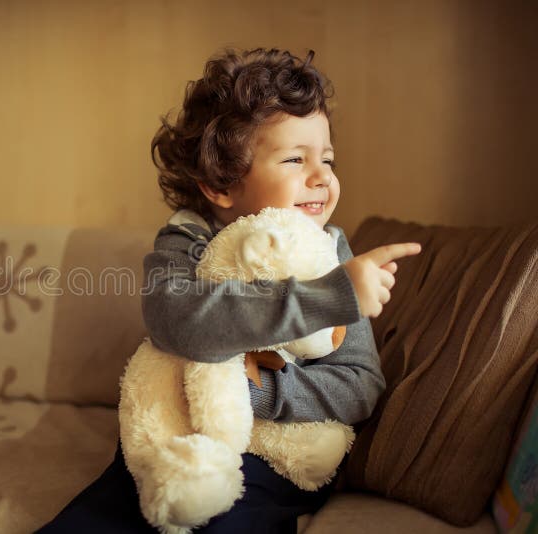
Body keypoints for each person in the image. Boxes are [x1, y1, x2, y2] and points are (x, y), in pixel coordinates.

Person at [38, 46, 421, 533]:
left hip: (276, 456)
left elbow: (360, 388)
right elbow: (176, 323)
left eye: (327, 158)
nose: (323, 176)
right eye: (294, 159)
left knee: (227, 519)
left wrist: (255, 392)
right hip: (181, 433)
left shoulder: (330, 255)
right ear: (221, 184)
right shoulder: (186, 240)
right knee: (110, 510)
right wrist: (327, 298)